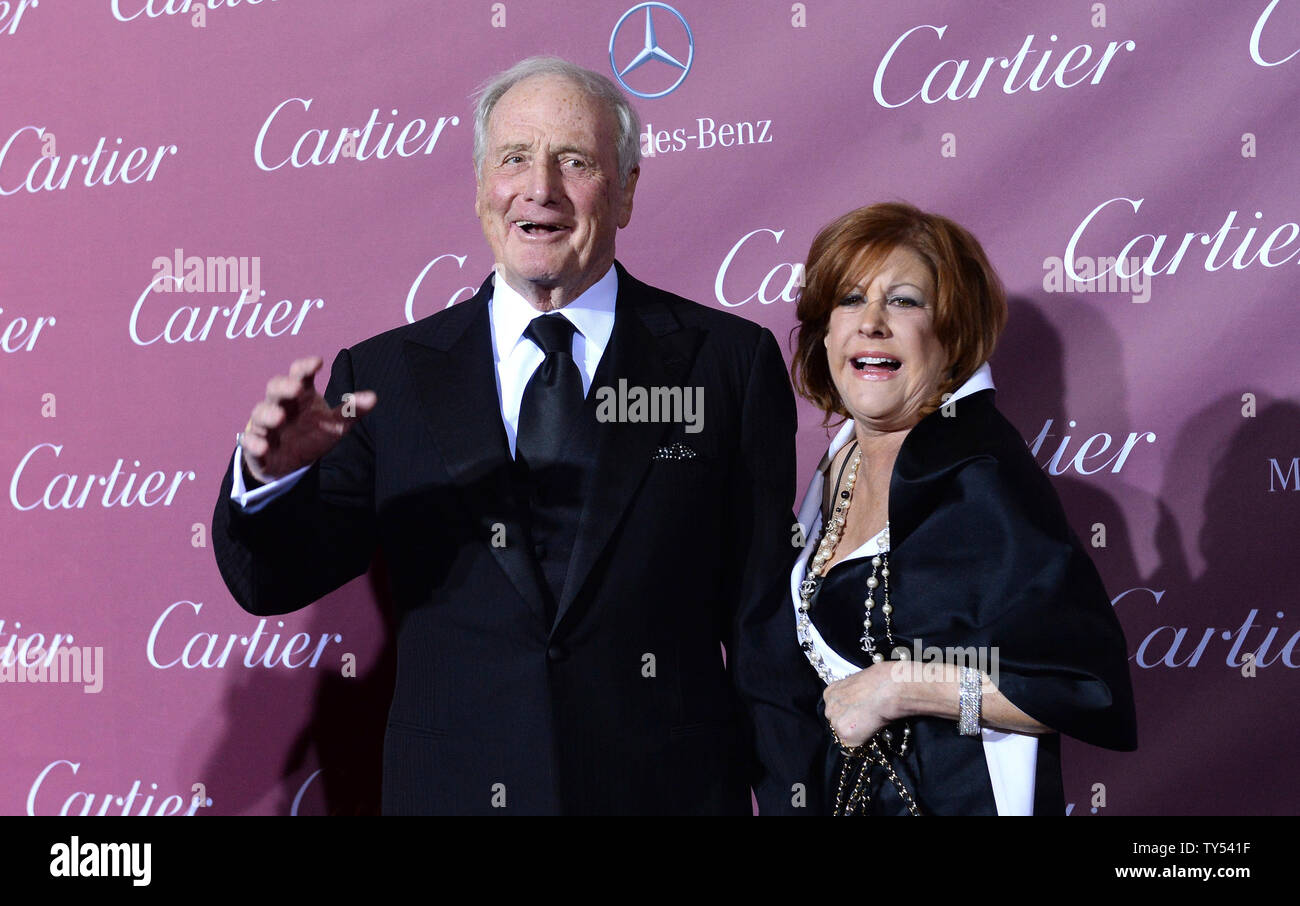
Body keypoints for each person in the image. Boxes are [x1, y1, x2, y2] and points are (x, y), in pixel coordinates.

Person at [211, 56, 826, 815]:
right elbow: (272, 579)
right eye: (513, 159)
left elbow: (764, 621)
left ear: (627, 189)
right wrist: (268, 482)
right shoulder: (387, 378)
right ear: (480, 189)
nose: (541, 188)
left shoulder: (725, 364)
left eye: (575, 160)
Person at [788, 201, 1137, 815]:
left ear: (951, 338)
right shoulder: (839, 458)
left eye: (903, 301)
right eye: (848, 299)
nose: (871, 322)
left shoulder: (978, 474)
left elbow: (1081, 689)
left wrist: (901, 687)